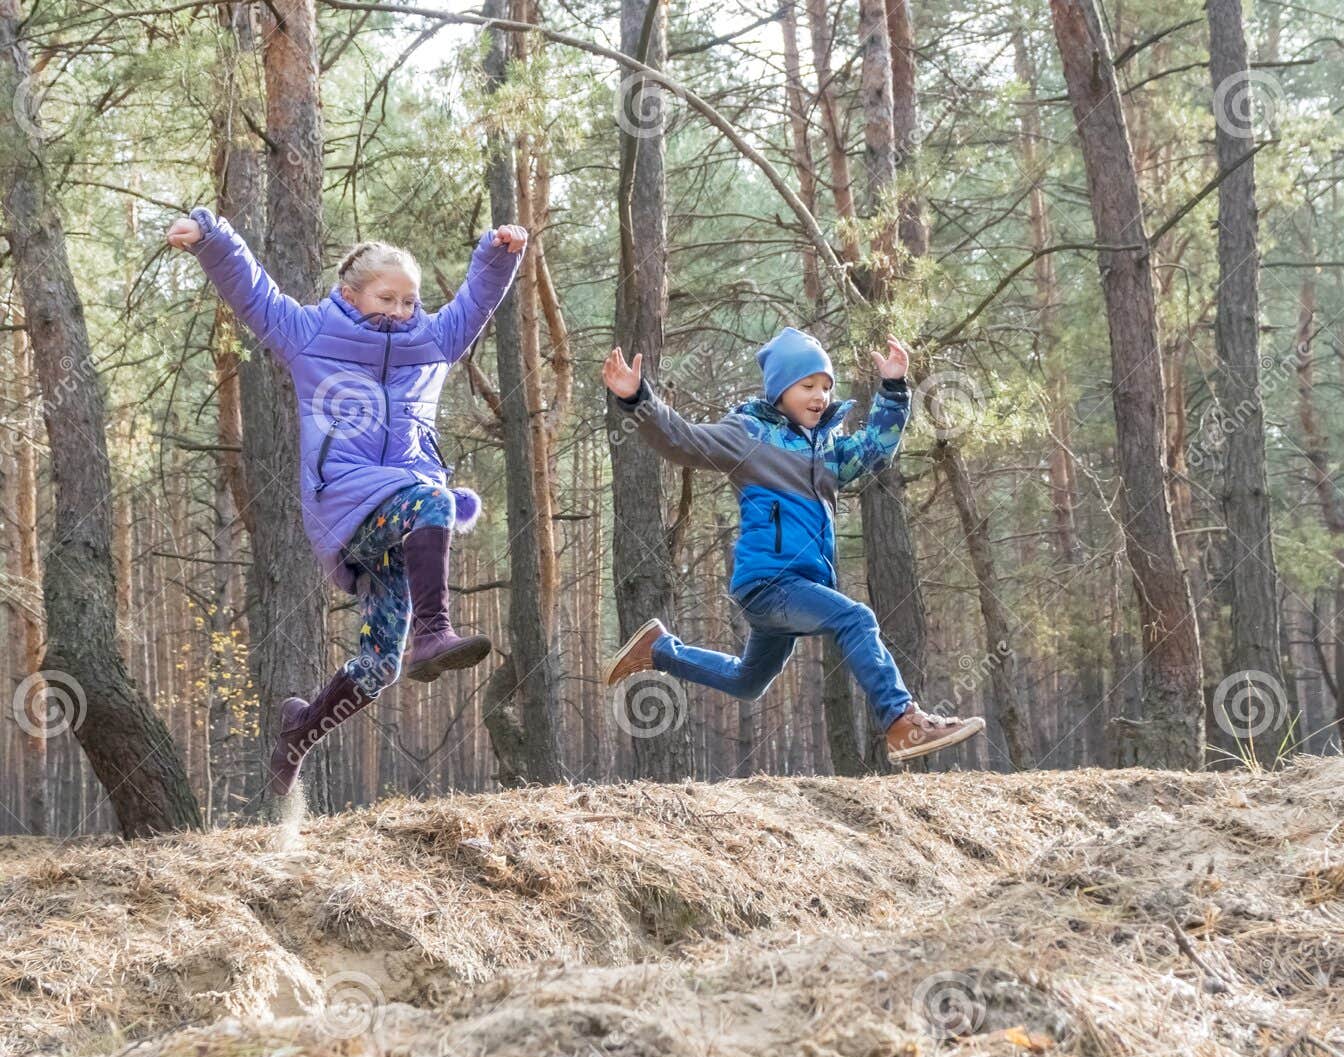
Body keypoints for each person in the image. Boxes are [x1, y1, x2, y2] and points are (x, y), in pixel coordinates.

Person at [168, 209, 527, 795]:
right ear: (350, 293)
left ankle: (299, 734)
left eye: (410, 301)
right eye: (387, 298)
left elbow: (476, 301)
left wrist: (497, 253)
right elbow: (252, 291)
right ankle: (434, 633)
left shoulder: (433, 342)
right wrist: (211, 238)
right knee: (433, 500)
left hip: (403, 521)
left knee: (380, 666)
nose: (400, 312)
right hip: (350, 504)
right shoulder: (309, 335)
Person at [600, 326, 985, 764]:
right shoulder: (748, 436)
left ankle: (658, 649)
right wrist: (637, 399)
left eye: (825, 386)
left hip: (796, 588)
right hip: (770, 583)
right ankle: (901, 721)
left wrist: (894, 390)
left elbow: (875, 451)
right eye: (808, 386)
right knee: (855, 618)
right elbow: (682, 439)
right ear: (781, 390)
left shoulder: (827, 451)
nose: (820, 396)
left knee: (748, 680)